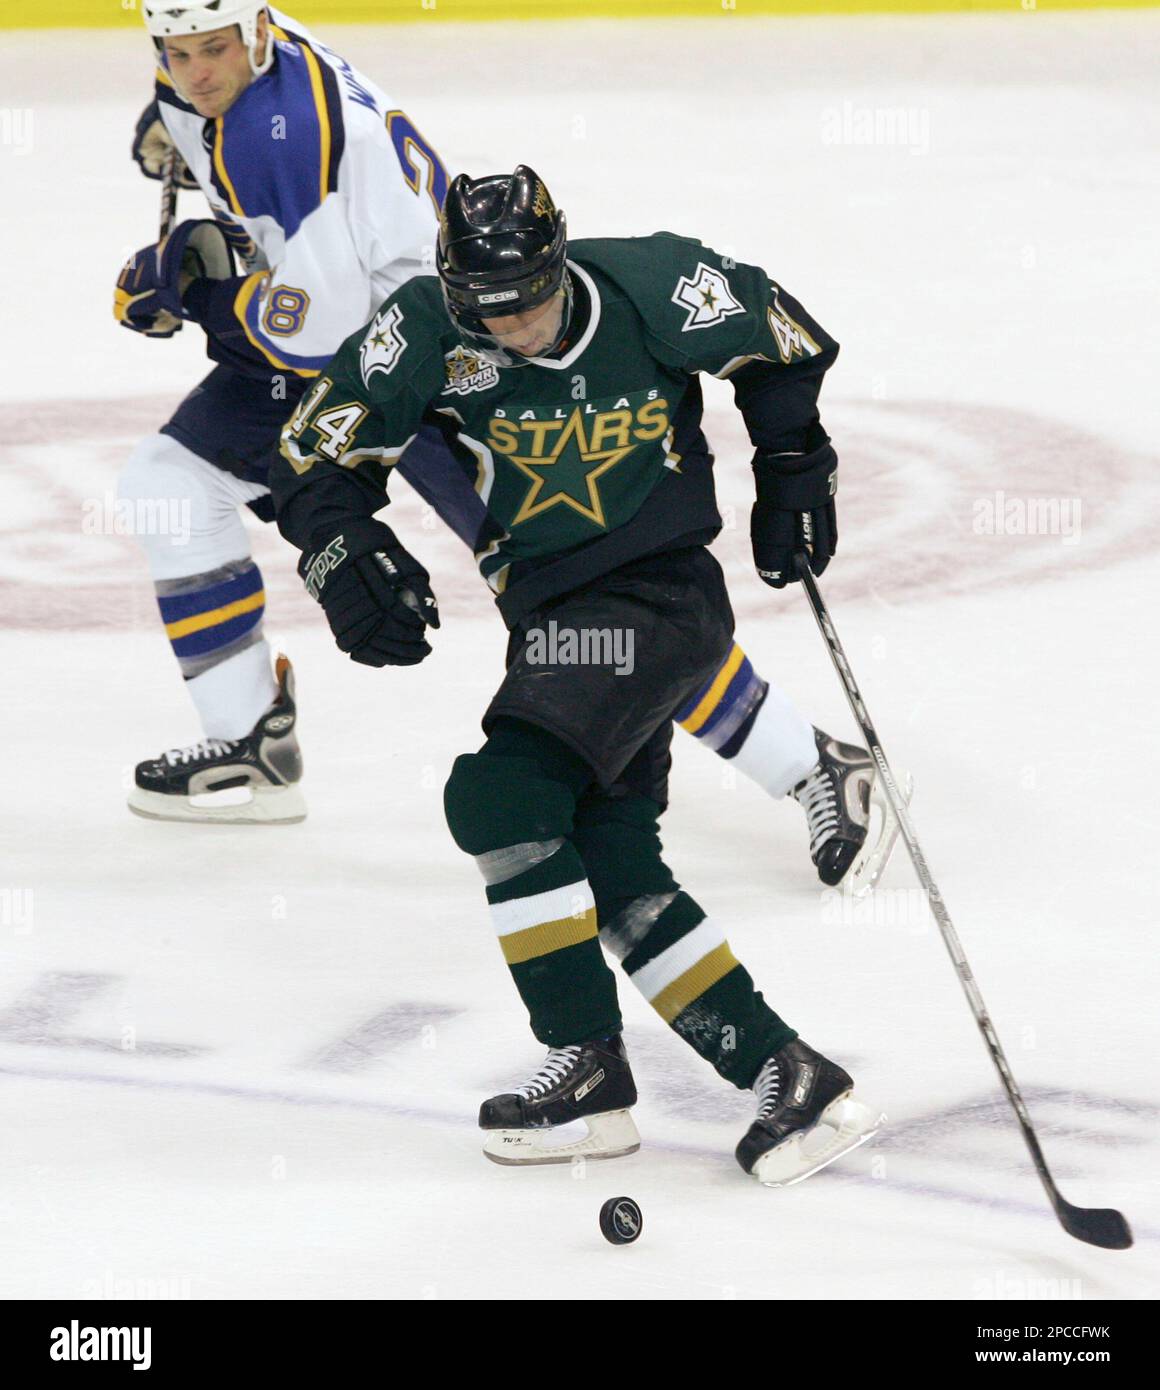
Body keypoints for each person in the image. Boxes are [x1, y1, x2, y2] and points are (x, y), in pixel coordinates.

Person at [116, 2, 890, 890]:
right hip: (365, 345)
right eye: (177, 53)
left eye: (213, 50)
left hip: (453, 361)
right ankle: (249, 739)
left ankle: (814, 764)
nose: (196, 72)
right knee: (170, 485)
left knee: (590, 600)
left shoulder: (281, 135)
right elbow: (284, 225)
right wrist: (191, 137)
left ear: (255, 34)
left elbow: (315, 326)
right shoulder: (239, 74)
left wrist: (193, 291)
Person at [271, 167, 883, 1184]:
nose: (512, 327)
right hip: (551, 620)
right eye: (487, 308)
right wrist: (344, 552)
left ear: (560, 261)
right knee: (613, 870)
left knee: (502, 796)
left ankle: (588, 1062)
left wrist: (792, 464)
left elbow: (779, 338)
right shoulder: (423, 328)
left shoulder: (652, 283)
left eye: (529, 299)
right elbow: (311, 452)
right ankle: (791, 1075)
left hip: (658, 604)